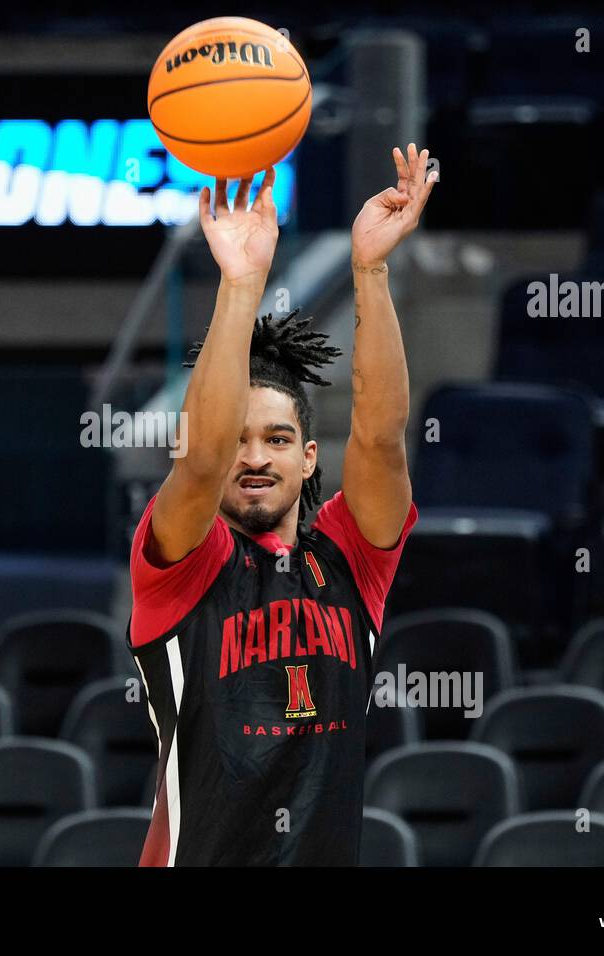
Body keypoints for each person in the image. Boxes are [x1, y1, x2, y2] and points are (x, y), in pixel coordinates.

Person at [128, 144, 439, 865]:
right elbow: (200, 460)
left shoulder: (351, 559)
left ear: (308, 457)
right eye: (240, 439)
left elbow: (382, 438)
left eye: (276, 438)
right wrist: (241, 285)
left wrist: (371, 271)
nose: (255, 456)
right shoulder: (182, 565)